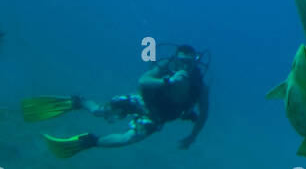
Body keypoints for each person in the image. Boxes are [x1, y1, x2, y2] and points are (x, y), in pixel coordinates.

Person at [22, 45, 210, 158]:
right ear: (175, 60)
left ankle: (89, 141)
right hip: (141, 101)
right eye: (181, 61)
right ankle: (78, 102)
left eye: (189, 62)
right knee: (99, 112)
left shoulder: (199, 87)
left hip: (157, 117)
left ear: (195, 63)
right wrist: (168, 80)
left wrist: (192, 137)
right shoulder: (164, 68)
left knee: (127, 138)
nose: (184, 66)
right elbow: (143, 80)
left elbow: (203, 114)